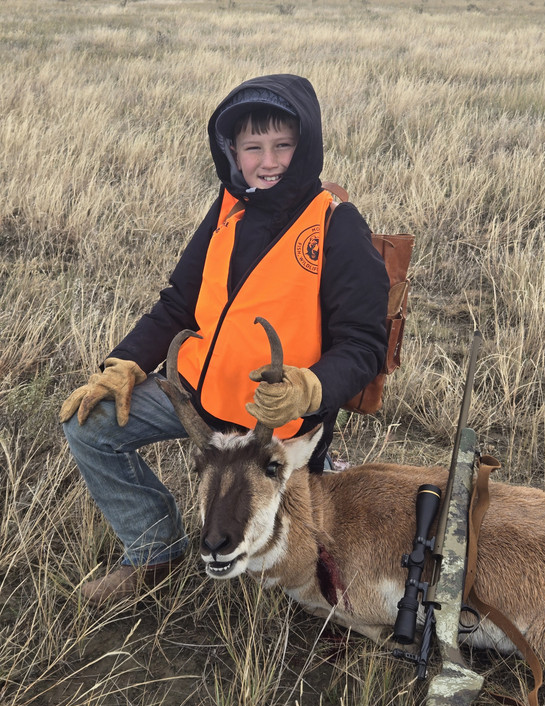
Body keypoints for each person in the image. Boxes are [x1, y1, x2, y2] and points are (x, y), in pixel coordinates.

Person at [61, 74, 389, 605]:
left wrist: (309, 388)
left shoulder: (337, 225)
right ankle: (154, 552)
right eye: (253, 146)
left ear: (306, 147)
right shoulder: (227, 209)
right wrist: (122, 363)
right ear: (230, 150)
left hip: (276, 421)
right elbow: (178, 302)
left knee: (299, 583)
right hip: (198, 403)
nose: (269, 161)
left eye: (283, 145)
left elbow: (363, 345)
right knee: (88, 425)